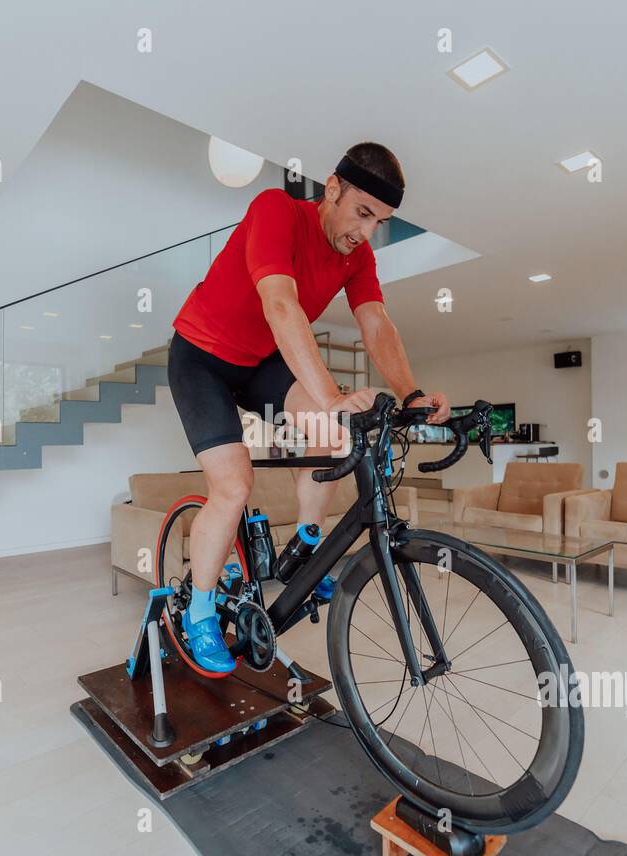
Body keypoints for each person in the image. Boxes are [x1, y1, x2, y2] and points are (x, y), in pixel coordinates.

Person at [167, 141, 449, 673]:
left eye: (380, 222)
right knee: (233, 485)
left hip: (259, 362)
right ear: (333, 188)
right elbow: (280, 303)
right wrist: (332, 396)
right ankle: (199, 612)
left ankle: (308, 546)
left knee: (335, 435)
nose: (367, 233)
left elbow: (375, 325)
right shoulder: (275, 209)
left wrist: (411, 393)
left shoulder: (357, 255)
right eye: (363, 214)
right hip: (201, 355)